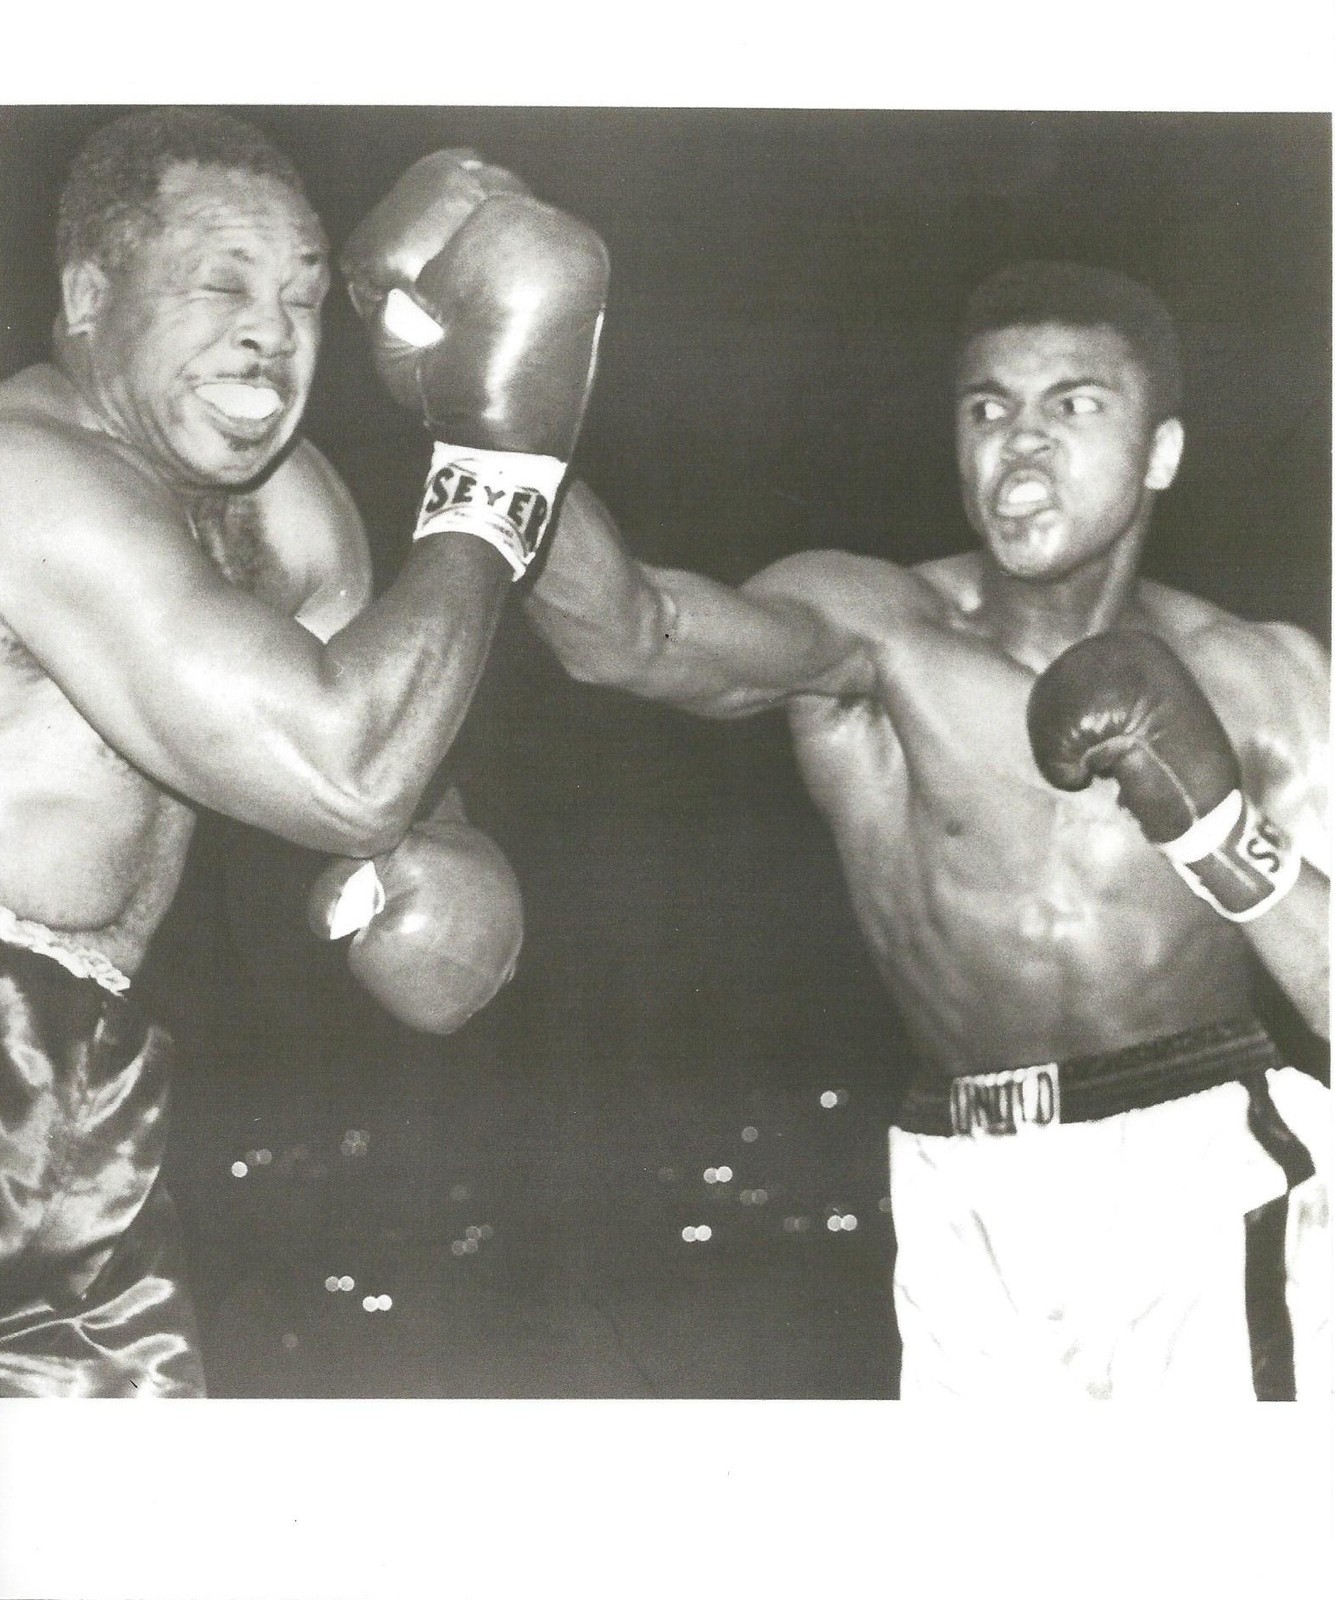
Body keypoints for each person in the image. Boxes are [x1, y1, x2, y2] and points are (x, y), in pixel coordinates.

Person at [526, 259, 1330, 1399]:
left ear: (1162, 453)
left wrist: (1217, 834)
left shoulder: (1258, 676)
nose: (1024, 443)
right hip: (957, 1185)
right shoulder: (881, 633)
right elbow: (627, 634)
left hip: (1206, 1173)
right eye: (989, 408)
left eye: (1075, 405)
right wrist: (501, 439)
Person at [0, 110, 607, 1396]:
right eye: (221, 285)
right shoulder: (26, 475)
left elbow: (400, 808)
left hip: (91, 1095)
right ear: (88, 295)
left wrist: (435, 872)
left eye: (301, 296)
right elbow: (344, 769)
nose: (271, 331)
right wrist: (500, 453)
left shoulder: (290, 508)